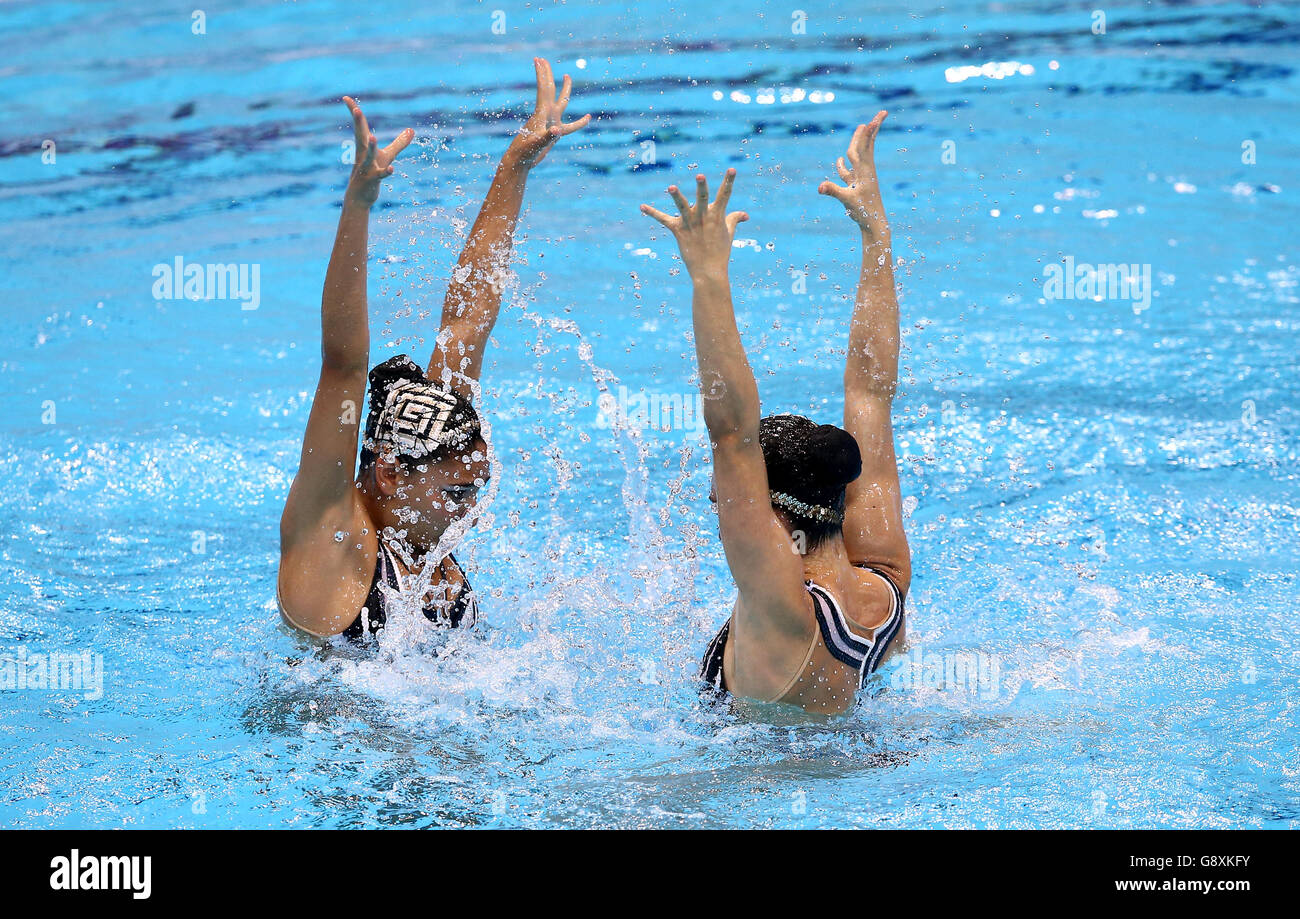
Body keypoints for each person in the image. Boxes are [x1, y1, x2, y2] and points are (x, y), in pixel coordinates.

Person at [277, 58, 589, 639]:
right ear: (391, 475)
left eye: (476, 489)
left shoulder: (423, 528)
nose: (472, 512)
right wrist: (359, 205)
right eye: (459, 492)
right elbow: (343, 364)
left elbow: (466, 320)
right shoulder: (333, 538)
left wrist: (514, 168)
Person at [641, 111, 910, 715]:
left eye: (732, 498)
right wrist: (876, 238)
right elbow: (870, 390)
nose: (722, 503)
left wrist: (708, 277)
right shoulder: (884, 585)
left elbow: (732, 434)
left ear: (774, 519)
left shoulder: (780, 608)